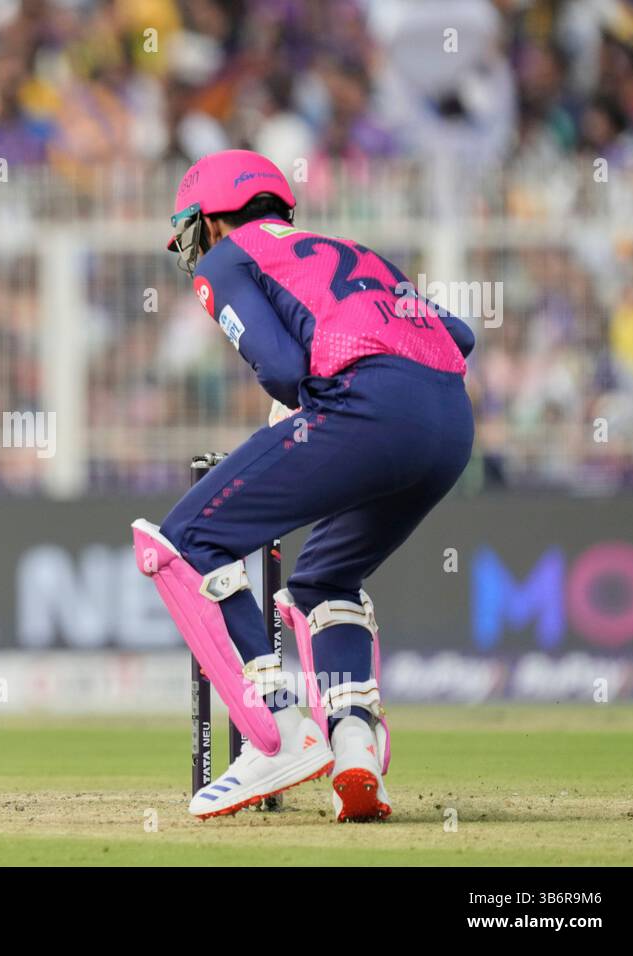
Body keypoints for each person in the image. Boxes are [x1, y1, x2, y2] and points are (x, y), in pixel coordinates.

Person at [133, 150, 475, 822]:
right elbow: (457, 334)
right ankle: (353, 740)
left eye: (193, 228)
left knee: (181, 541)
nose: (193, 246)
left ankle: (278, 731)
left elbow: (284, 368)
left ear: (216, 217)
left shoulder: (227, 258)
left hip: (365, 408)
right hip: (449, 422)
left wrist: (304, 399)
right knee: (323, 581)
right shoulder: (355, 250)